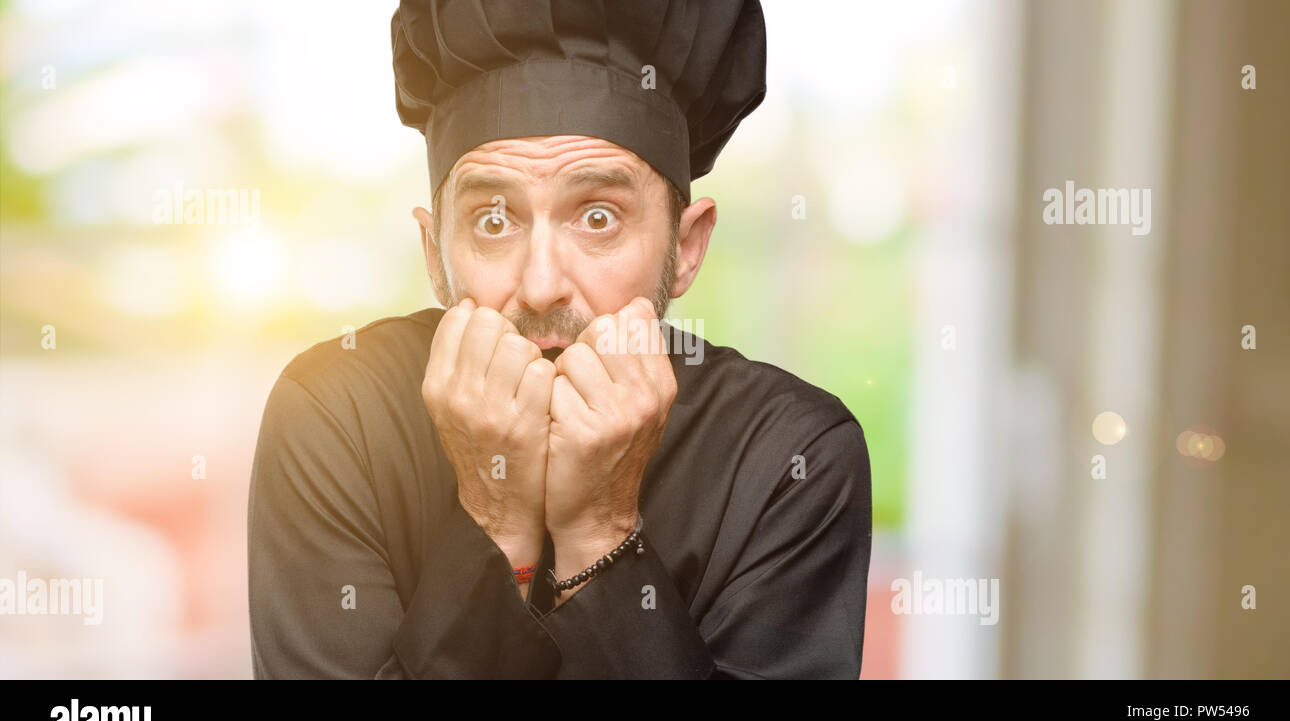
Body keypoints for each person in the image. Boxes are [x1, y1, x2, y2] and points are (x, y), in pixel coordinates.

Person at [247, 0, 872, 679]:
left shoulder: (792, 458)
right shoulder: (337, 416)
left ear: (686, 247)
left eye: (598, 216)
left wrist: (599, 531)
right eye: (492, 220)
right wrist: (494, 519)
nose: (542, 284)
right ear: (435, 253)